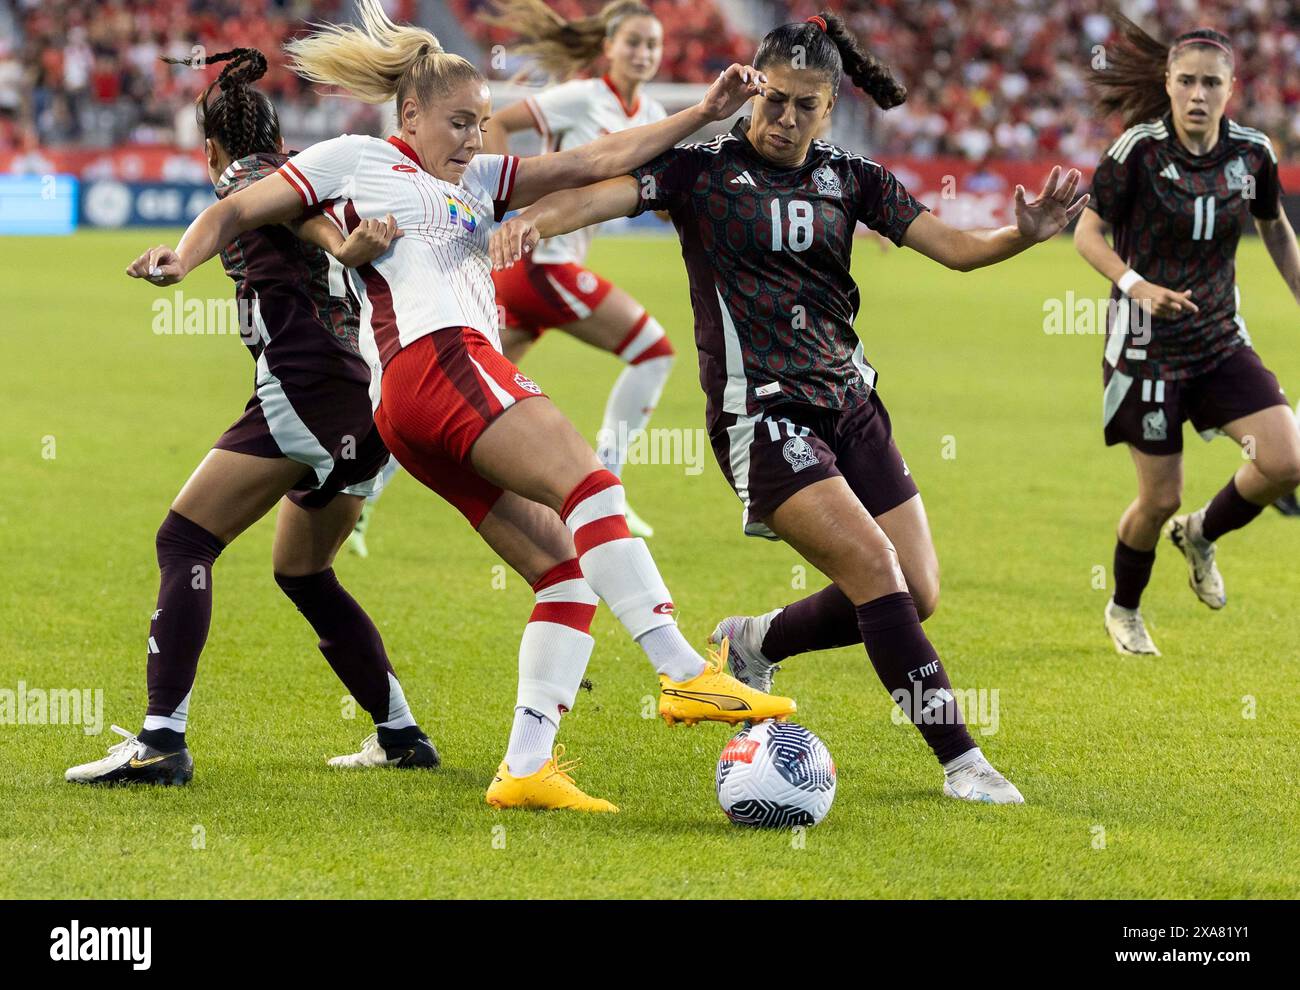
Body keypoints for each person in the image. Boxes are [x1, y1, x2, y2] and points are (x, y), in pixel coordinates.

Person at [124, 1, 795, 813]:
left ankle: (526, 767)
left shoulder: (478, 179)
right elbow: (238, 205)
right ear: (409, 114)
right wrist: (180, 258)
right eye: (457, 123)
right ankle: (686, 672)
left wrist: (702, 114)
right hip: (439, 360)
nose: (473, 139)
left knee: (563, 572)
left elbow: (593, 159)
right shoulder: (362, 156)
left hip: (411, 410)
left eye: (481, 123)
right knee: (591, 484)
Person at [490, 12, 1092, 804]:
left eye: (804, 106)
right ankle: (963, 764)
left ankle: (757, 638)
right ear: (752, 89)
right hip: (761, 417)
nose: (783, 119)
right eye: (773, 100)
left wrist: (1025, 234)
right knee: (877, 569)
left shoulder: (853, 177)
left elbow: (957, 248)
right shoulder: (701, 169)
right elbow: (599, 195)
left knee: (919, 588)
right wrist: (530, 219)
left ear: (831, 105)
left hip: (852, 402)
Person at [68, 48, 436, 786]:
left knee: (184, 540)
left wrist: (180, 261)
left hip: (308, 385)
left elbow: (259, 206)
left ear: (209, 147)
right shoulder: (309, 169)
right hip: (364, 399)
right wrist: (347, 243)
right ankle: (399, 734)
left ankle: (160, 742)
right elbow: (312, 220)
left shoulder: (250, 173)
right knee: (304, 571)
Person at [1073, 14, 1300, 656]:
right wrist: (1135, 285)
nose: (1198, 94)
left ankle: (1202, 532)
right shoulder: (1136, 152)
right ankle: (1124, 609)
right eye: (1187, 82)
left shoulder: (1252, 153)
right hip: (1145, 348)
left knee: (1286, 461)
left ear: (1232, 89)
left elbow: (1276, 226)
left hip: (1219, 338)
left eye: (1211, 83)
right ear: (1168, 83)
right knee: (1158, 498)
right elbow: (1089, 234)